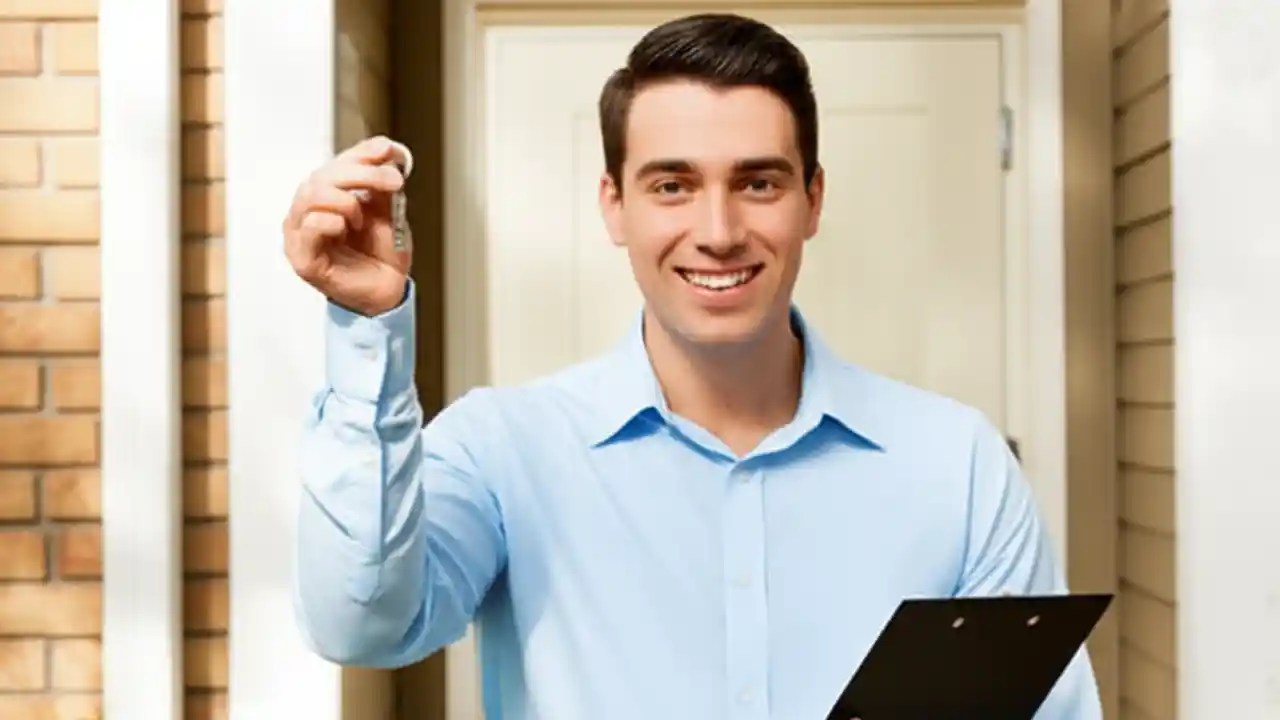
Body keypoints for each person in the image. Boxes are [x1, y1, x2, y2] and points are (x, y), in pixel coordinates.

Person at [282, 12, 1103, 719]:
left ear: (813, 199)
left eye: (759, 183)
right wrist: (367, 327)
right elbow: (362, 624)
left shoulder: (958, 466)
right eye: (672, 185)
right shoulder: (504, 450)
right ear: (616, 204)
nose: (718, 230)